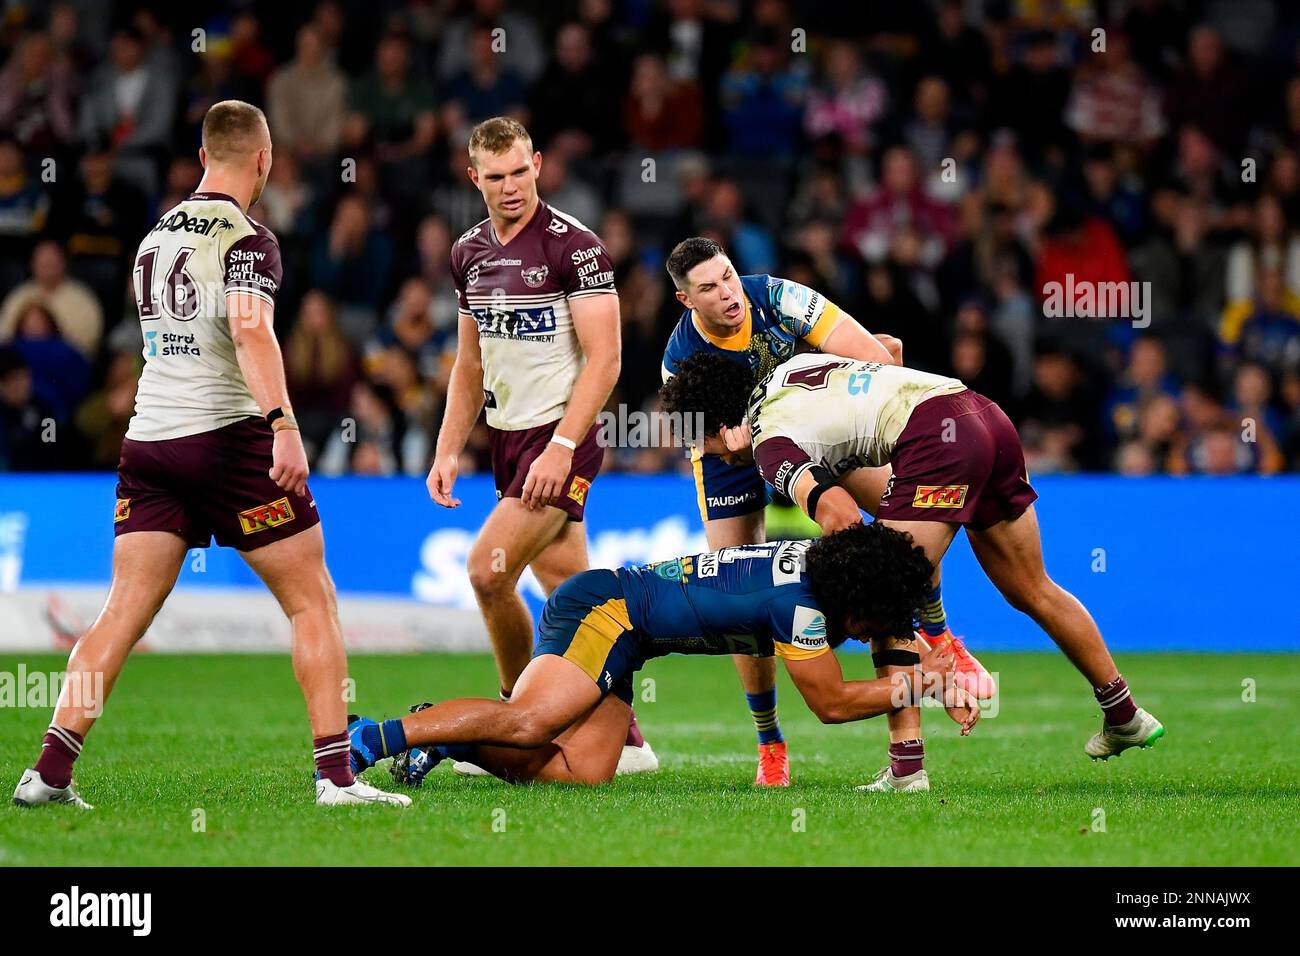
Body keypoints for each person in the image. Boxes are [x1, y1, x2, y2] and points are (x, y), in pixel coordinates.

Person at [11, 100, 409, 809]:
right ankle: (336, 778)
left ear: (202, 157)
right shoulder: (249, 238)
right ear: (264, 160)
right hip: (229, 441)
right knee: (311, 600)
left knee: (123, 610)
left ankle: (48, 771)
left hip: (150, 441)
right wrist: (284, 424)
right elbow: (251, 333)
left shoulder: (153, 238)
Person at [660, 351, 1166, 791]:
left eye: (705, 445)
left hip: (937, 439)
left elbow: (839, 516)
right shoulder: (793, 370)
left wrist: (855, 598)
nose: (711, 455)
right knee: (1032, 588)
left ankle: (907, 769)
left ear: (722, 427)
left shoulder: (771, 443)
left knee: (876, 588)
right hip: (984, 415)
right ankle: (1122, 712)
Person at [660, 236, 993, 787]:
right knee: (741, 601)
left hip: (806, 428)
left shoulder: (776, 297)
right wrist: (731, 444)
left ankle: (939, 635)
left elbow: (878, 355)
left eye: (727, 277)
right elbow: (694, 435)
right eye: (708, 288)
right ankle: (769, 741)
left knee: (900, 513)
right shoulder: (678, 358)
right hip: (732, 458)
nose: (727, 294)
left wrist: (844, 384)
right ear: (684, 300)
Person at [347, 524, 980, 789]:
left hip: (632, 635)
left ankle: (447, 736)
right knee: (532, 721)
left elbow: (862, 651)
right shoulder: (803, 607)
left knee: (581, 775)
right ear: (858, 598)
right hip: (604, 609)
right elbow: (832, 703)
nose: (876, 635)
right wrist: (925, 685)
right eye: (879, 620)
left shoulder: (820, 579)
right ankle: (371, 737)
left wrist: (926, 673)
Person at [426, 117, 654, 774]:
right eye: (495, 177)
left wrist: (561, 445)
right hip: (508, 440)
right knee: (571, 593)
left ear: (539, 165)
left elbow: (606, 361)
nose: (510, 187)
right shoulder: (468, 252)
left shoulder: (573, 248)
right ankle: (624, 731)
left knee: (488, 572)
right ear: (475, 178)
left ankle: (511, 718)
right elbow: (469, 366)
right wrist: (446, 448)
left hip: (564, 439)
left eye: (520, 172)